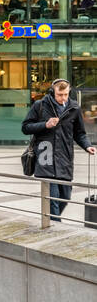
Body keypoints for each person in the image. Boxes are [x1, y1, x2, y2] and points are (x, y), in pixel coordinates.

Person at [22, 78, 95, 221]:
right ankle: (55, 228)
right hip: (46, 157)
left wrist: (87, 145)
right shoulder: (40, 105)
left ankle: (50, 221)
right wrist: (45, 125)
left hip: (65, 158)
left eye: (66, 94)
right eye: (59, 95)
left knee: (65, 197)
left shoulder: (74, 108)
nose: (63, 98)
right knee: (52, 198)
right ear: (52, 92)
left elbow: (79, 133)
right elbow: (25, 127)